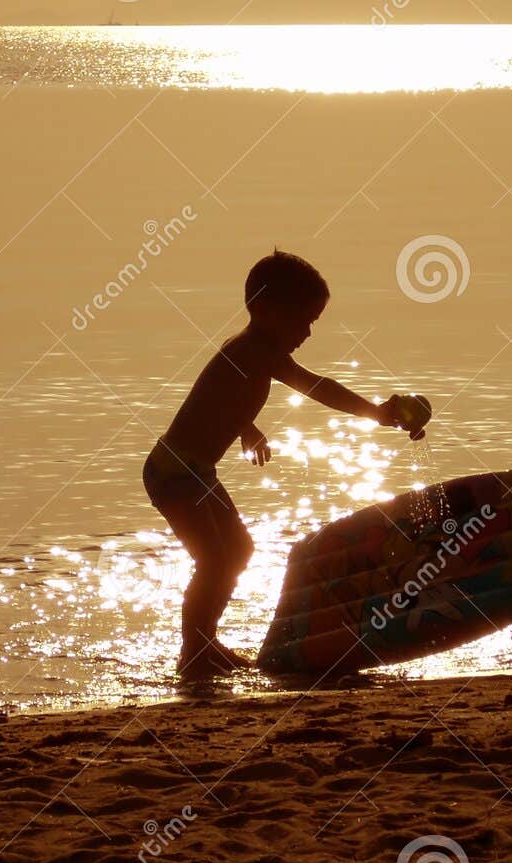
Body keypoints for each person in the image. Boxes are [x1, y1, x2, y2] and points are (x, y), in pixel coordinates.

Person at [144, 251, 423, 678]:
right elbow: (317, 387)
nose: (308, 332)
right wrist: (375, 413)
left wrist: (246, 427)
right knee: (216, 560)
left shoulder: (253, 352)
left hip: (193, 472)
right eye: (302, 320)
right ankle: (193, 653)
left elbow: (218, 400)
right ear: (263, 309)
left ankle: (205, 641)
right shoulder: (255, 350)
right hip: (174, 474)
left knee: (237, 552)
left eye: (313, 321)